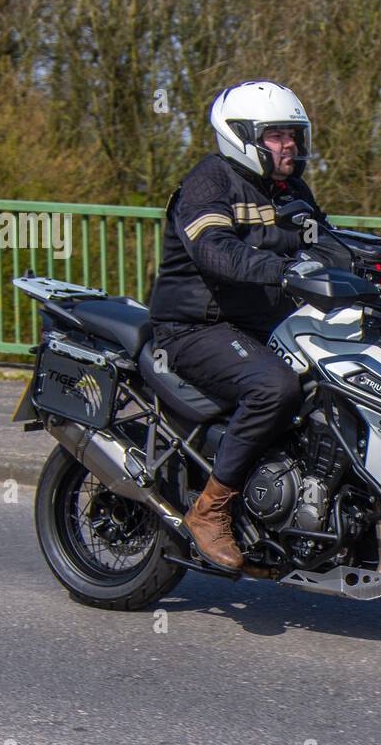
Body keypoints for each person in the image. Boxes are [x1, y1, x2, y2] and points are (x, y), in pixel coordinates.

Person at [147, 80, 349, 572]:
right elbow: (216, 250)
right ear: (242, 136)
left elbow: (330, 244)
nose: (290, 147)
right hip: (196, 328)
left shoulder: (291, 190)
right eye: (277, 136)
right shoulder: (209, 182)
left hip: (260, 326)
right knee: (274, 387)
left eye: (294, 136)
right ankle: (210, 508)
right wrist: (281, 271)